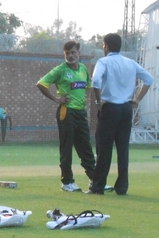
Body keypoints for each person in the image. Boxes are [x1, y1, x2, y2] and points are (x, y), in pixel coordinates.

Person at [88, 33, 154, 195]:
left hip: (110, 107)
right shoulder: (130, 63)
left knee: (104, 148)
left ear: (106, 46)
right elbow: (149, 79)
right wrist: (137, 100)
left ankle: (98, 186)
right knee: (123, 149)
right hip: (126, 109)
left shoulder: (103, 61)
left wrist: (98, 101)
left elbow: (95, 81)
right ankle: (122, 187)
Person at [36, 40, 96, 192]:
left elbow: (88, 86)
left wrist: (84, 103)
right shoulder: (60, 70)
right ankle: (67, 182)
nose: (70, 56)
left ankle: (95, 180)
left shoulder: (83, 69)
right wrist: (57, 99)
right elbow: (41, 84)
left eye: (73, 52)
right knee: (67, 147)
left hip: (81, 113)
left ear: (79, 53)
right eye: (67, 53)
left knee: (86, 147)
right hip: (66, 112)